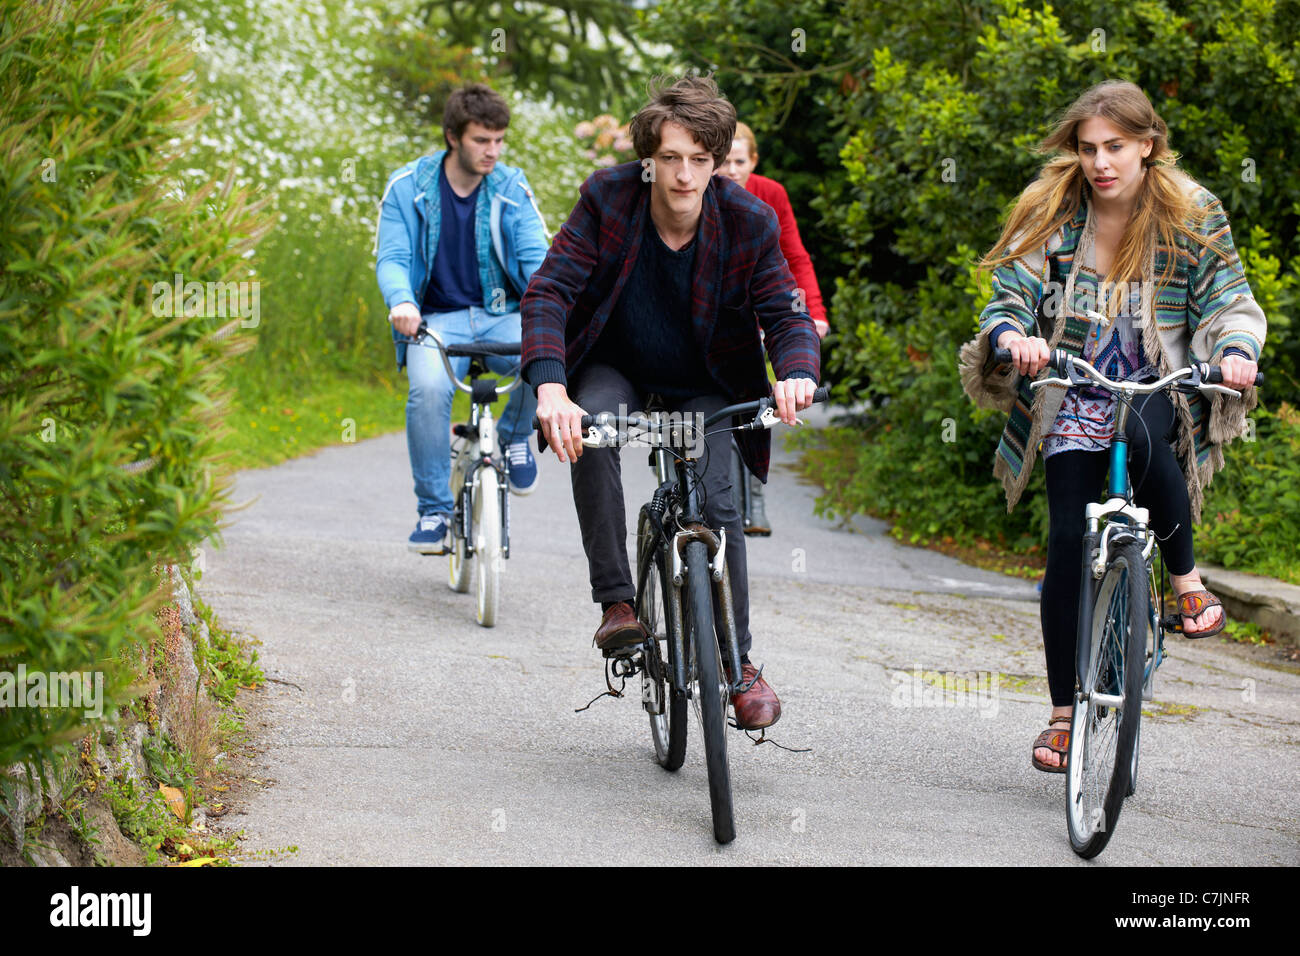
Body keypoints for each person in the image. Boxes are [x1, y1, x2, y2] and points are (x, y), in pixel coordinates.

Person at [959, 80, 1265, 773]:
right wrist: (1015, 338)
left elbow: (1230, 300)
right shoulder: (1053, 208)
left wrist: (1238, 351)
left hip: (1156, 378)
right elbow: (1009, 297)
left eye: (1116, 147)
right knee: (1067, 539)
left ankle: (1186, 582)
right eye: (1089, 148)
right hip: (1072, 384)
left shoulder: (1190, 211)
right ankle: (1064, 715)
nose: (1101, 162)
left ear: (1147, 145)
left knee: (1151, 430)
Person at [522, 75, 821, 730]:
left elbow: (786, 308)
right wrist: (550, 387)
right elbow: (550, 291)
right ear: (648, 159)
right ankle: (618, 606)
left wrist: (796, 370)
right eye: (670, 158)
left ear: (717, 162)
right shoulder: (607, 198)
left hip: (708, 379)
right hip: (615, 363)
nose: (684, 175)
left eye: (699, 160)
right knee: (592, 429)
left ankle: (738, 665)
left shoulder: (749, 219)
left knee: (720, 504)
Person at [375, 83, 550, 554]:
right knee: (429, 390)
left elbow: (538, 258)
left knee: (550, 349)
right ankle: (433, 509)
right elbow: (392, 257)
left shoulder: (511, 187)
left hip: (500, 316)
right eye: (481, 140)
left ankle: (514, 438)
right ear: (453, 136)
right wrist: (401, 301)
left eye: (499, 140)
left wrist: (551, 304)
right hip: (434, 321)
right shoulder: (408, 186)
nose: (492, 151)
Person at [717, 121, 829, 535]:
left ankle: (756, 496)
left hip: (765, 305)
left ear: (754, 161)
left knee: (759, 398)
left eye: (739, 162)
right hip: (723, 314)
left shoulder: (770, 195)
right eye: (724, 162)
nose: (731, 171)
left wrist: (813, 312)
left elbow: (794, 256)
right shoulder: (701, 195)